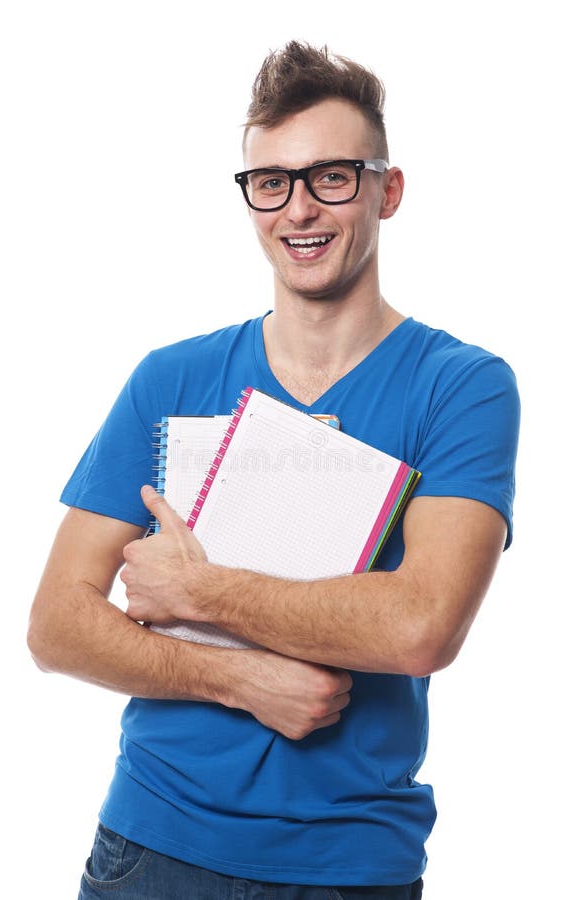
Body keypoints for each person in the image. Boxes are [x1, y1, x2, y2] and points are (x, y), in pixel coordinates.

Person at [28, 41, 520, 900]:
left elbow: (422, 628)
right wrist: (239, 676)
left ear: (386, 189)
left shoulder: (463, 386)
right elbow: (54, 624)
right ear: (250, 197)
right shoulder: (170, 378)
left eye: (332, 176)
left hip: (351, 866)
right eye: (272, 183)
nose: (299, 209)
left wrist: (198, 592)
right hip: (151, 849)